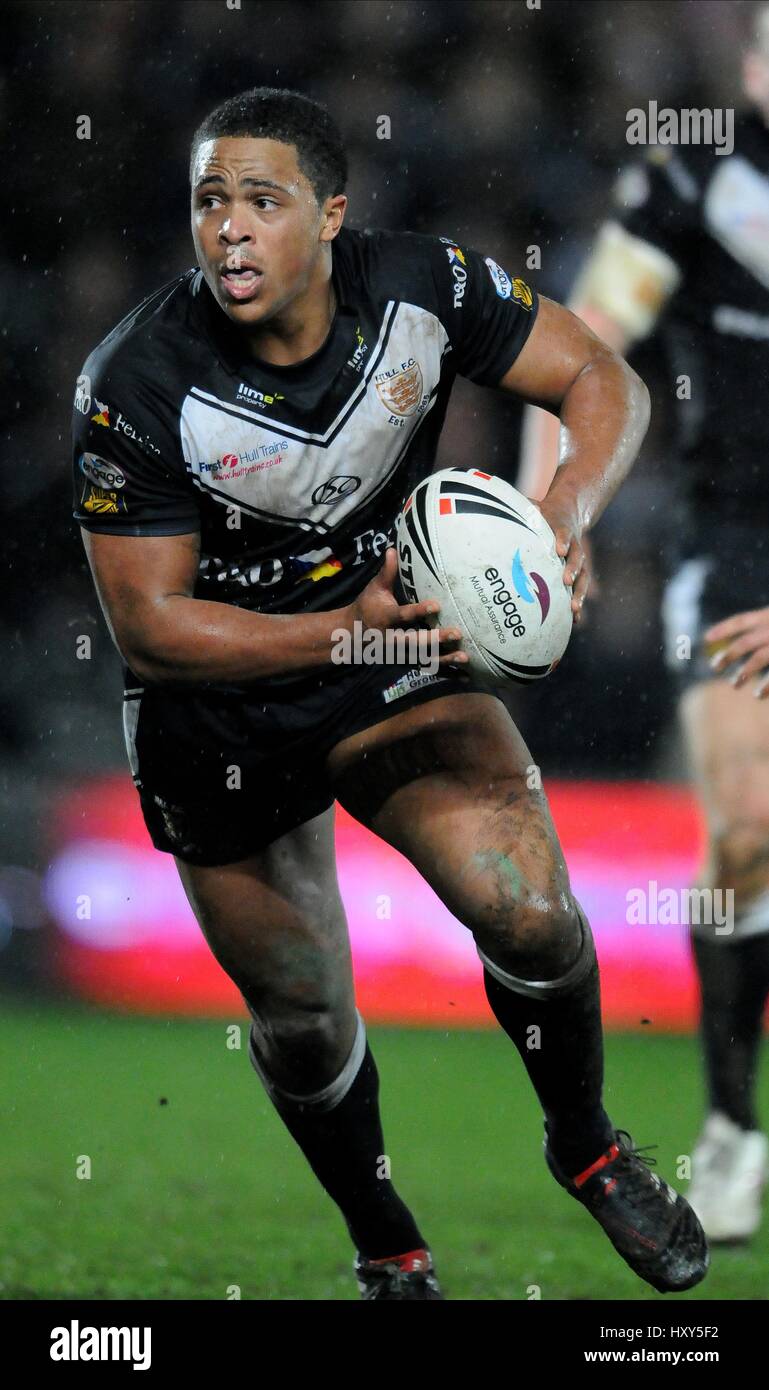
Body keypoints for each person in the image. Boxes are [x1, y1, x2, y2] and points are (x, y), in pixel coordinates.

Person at [72, 86, 707, 1299]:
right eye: (211, 202)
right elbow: (151, 634)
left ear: (331, 214)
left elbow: (602, 380)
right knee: (305, 1019)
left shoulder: (423, 288)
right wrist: (333, 630)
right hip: (220, 708)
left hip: (396, 654)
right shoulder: (137, 381)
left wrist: (560, 513)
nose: (232, 231)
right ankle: (386, 1243)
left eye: (263, 202)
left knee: (528, 908)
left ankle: (587, 1147)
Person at [519, 5, 769, 1245]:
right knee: (750, 826)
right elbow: (579, 347)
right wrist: (546, 515)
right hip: (735, 551)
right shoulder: (695, 185)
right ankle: (733, 1125)